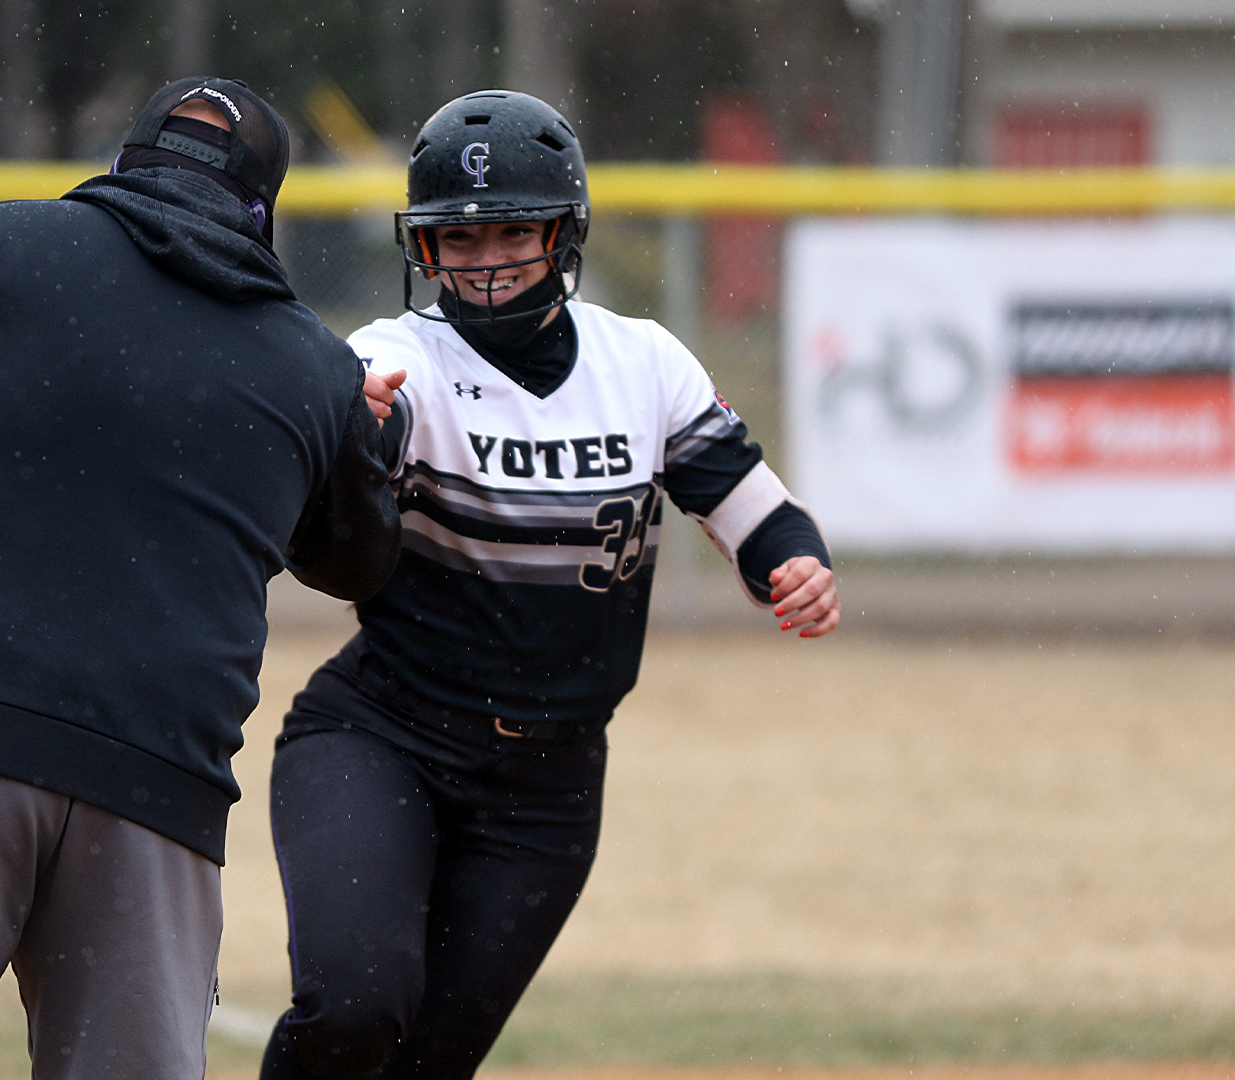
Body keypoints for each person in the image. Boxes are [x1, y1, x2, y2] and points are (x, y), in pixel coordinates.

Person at [0, 76, 400, 1080]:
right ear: (264, 216)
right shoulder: (312, 367)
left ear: (122, 168)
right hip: (153, 789)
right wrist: (360, 439)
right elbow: (355, 560)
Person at [259, 90, 841, 1080]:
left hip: (549, 788)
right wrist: (348, 434)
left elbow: (756, 515)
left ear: (563, 231)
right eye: (459, 238)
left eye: (510, 232)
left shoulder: (643, 362)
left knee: (427, 1061)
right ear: (423, 248)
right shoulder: (390, 359)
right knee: (356, 1008)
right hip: (382, 738)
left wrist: (797, 566)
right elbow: (332, 490)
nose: (484, 261)